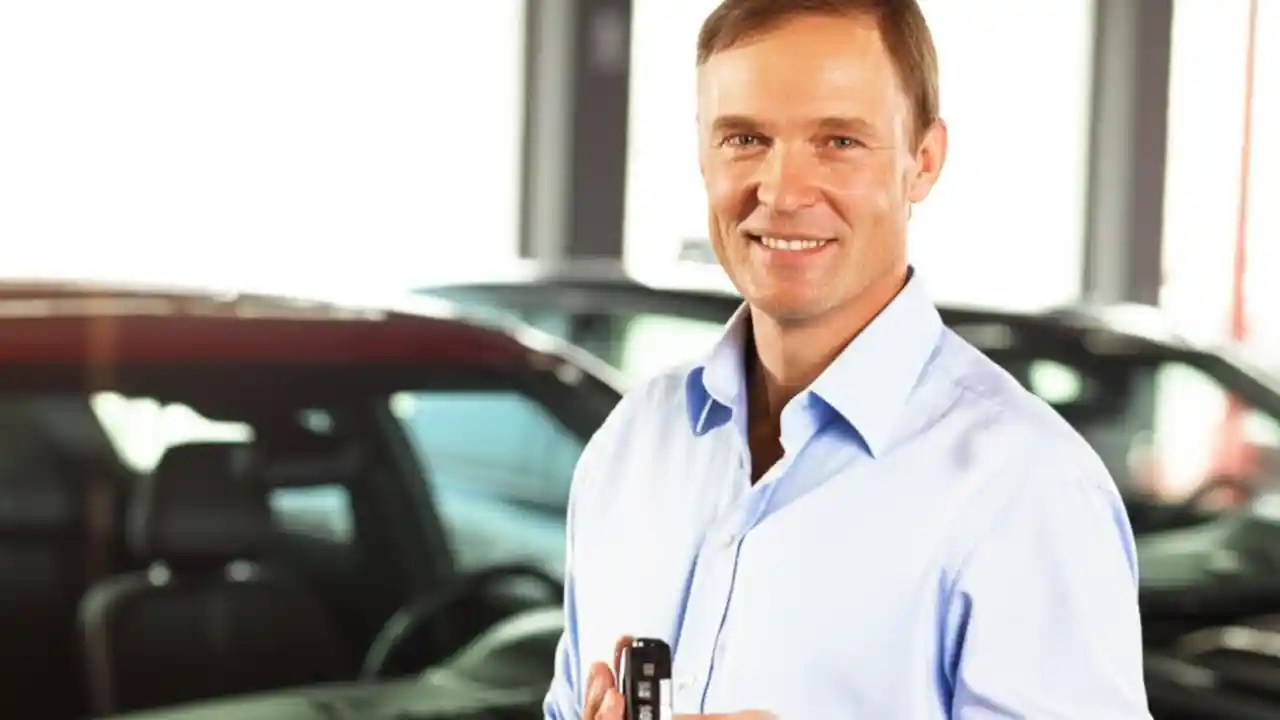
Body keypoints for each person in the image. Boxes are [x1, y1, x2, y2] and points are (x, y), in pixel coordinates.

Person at [544, 1, 1151, 717]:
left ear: (923, 162)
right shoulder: (632, 447)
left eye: (838, 141)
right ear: (703, 155)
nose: (782, 191)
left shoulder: (1027, 489)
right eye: (744, 138)